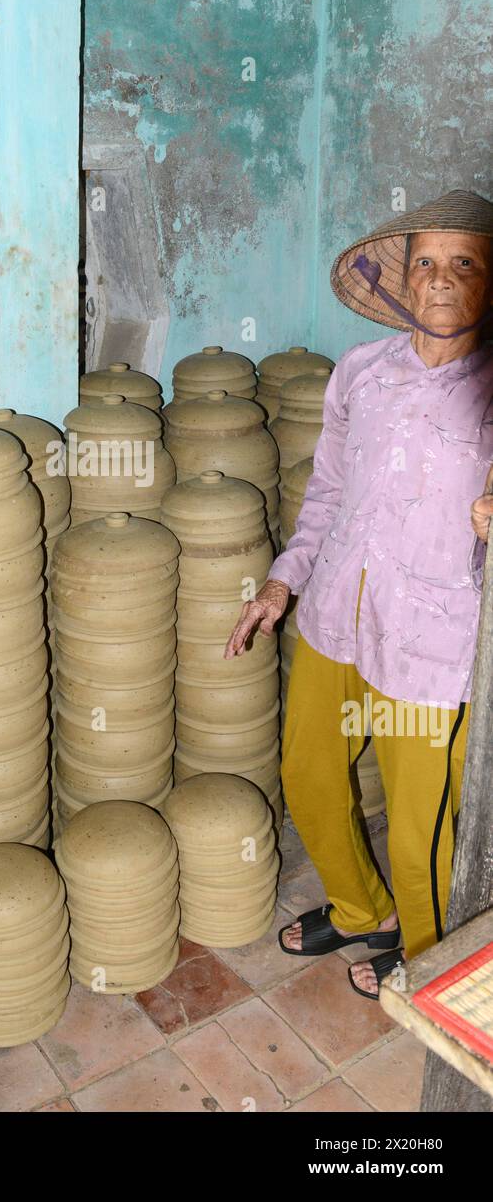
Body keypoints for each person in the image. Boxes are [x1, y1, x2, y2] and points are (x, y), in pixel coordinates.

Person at [225, 190, 493, 1000]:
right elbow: (328, 493)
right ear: (399, 279)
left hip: (430, 643)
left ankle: (424, 960)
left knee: (418, 836)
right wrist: (283, 580)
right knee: (307, 776)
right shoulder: (359, 374)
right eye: (423, 263)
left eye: (463, 264)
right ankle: (356, 909)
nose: (439, 280)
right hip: (336, 619)